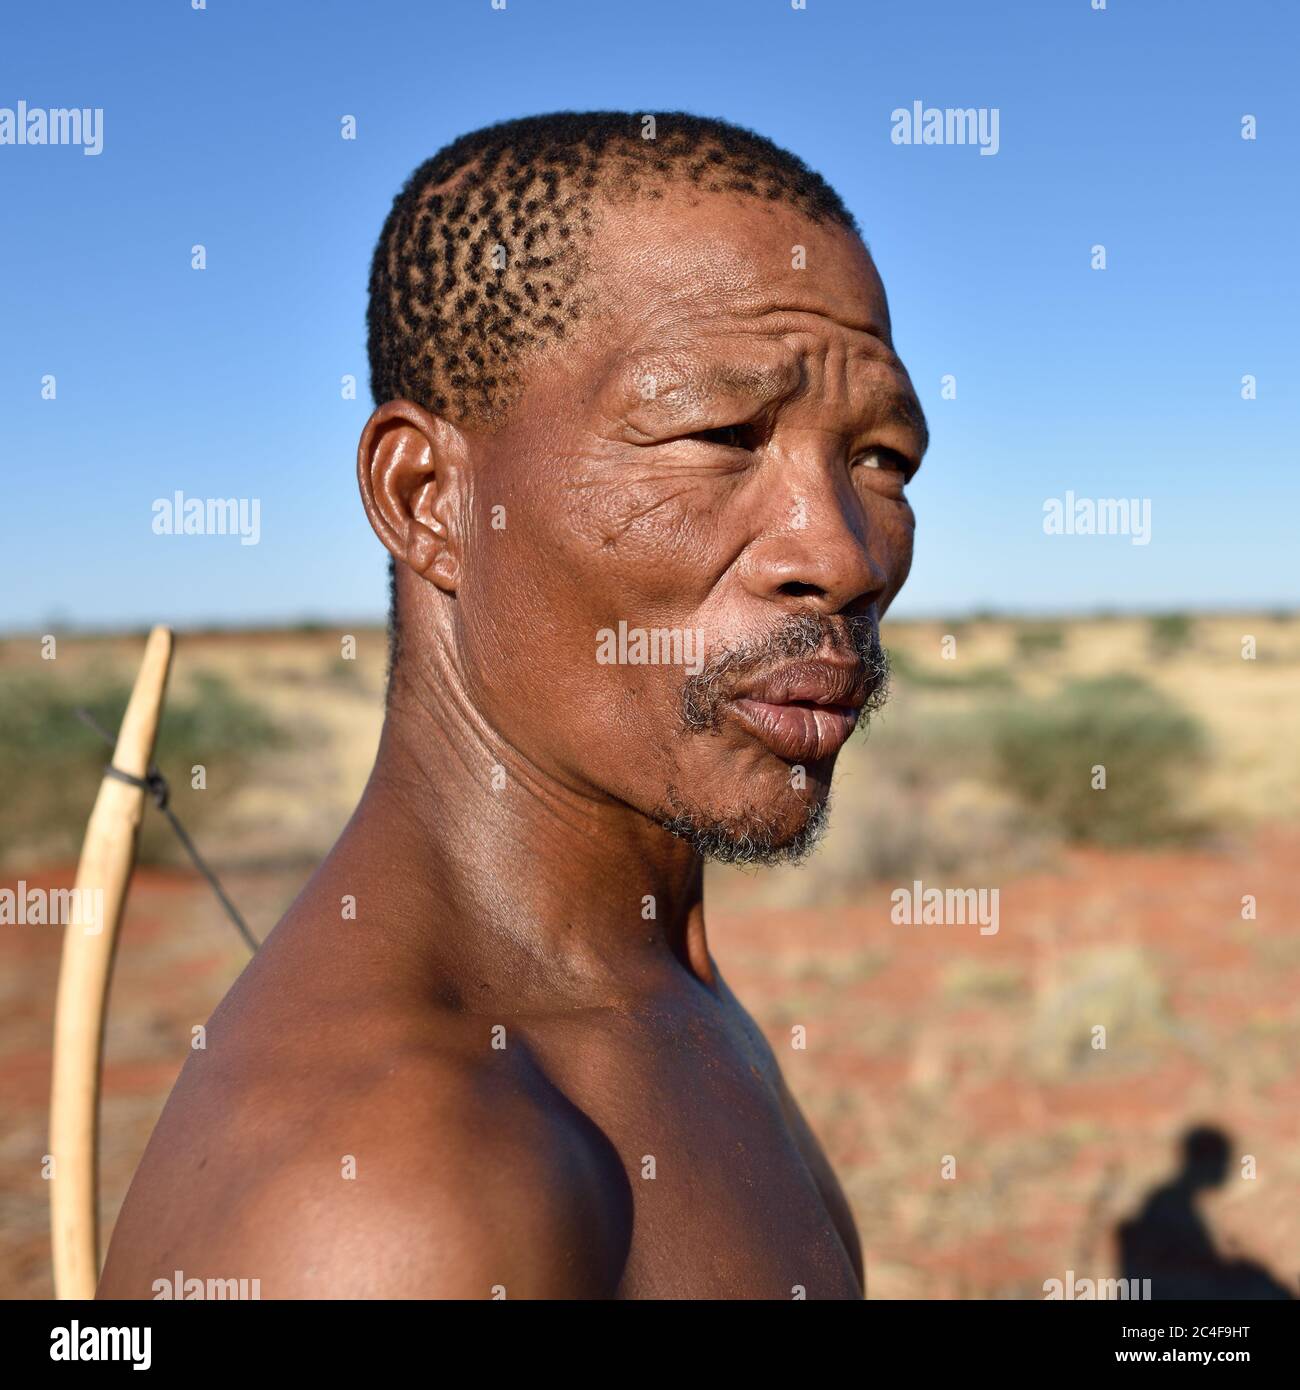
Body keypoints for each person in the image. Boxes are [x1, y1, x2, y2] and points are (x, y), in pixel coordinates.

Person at [98, 110, 928, 1300]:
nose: (842, 555)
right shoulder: (394, 1199)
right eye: (717, 433)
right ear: (428, 497)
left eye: (881, 458)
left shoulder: (649, 974)